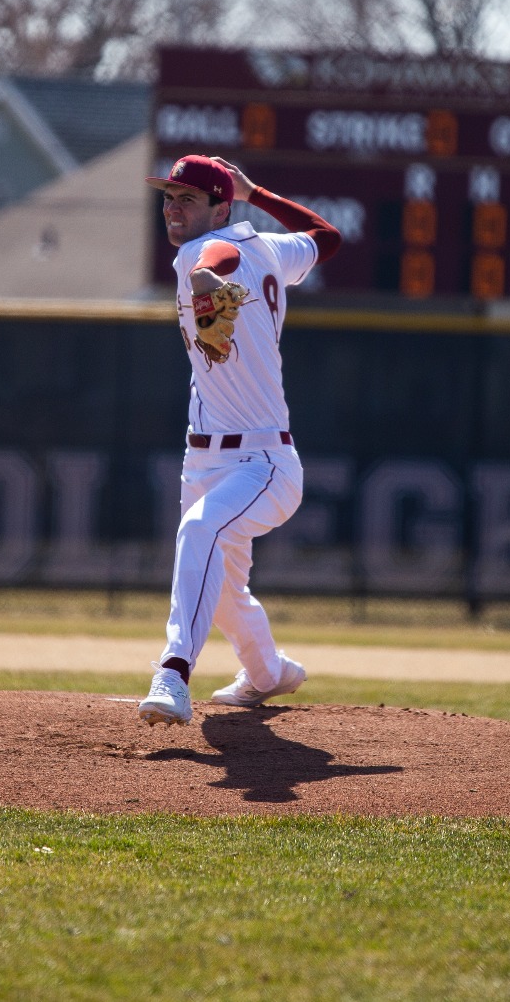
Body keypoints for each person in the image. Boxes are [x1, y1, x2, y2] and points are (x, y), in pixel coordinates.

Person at [136, 154, 341, 726]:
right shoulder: (272, 249)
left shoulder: (201, 253)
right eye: (169, 198)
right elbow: (326, 238)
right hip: (203, 456)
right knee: (222, 590)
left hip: (264, 462)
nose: (173, 209)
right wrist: (258, 194)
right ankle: (268, 673)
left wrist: (210, 277)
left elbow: (216, 256)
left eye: (188, 199)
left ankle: (173, 671)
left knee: (199, 531)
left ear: (220, 209)